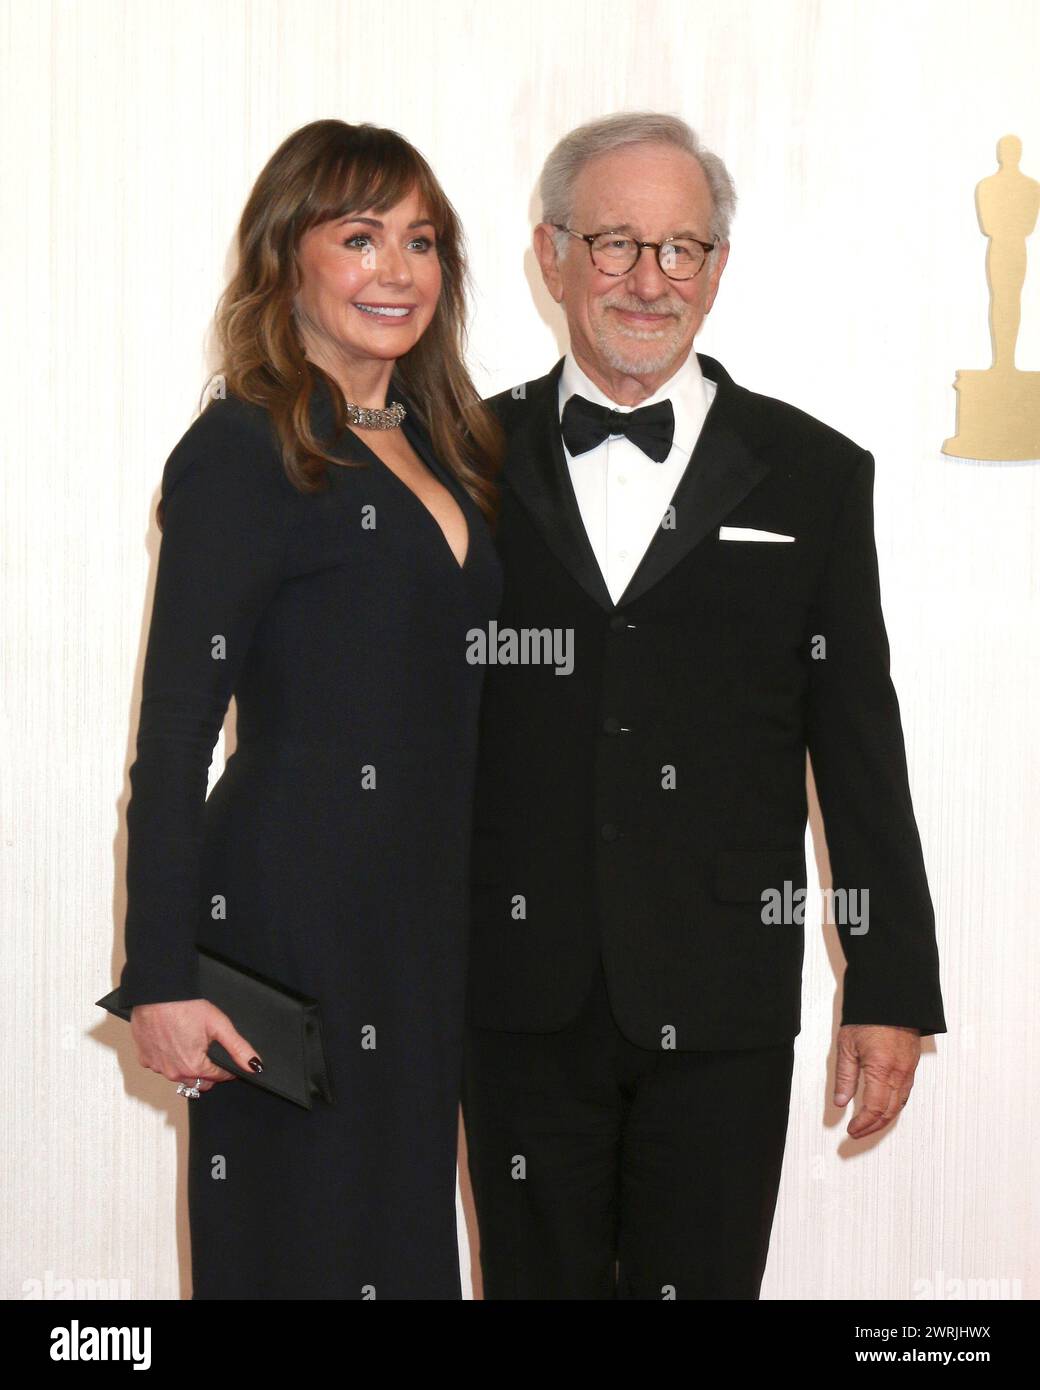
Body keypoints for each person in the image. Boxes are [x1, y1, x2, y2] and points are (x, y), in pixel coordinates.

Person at [461, 111, 946, 1299]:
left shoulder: (814, 475)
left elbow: (856, 741)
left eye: (680, 248)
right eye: (614, 242)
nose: (647, 279)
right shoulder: (459, 456)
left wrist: (886, 984)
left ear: (717, 268)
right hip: (513, 989)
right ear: (550, 253)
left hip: (721, 996)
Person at [116, 118, 502, 1299]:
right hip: (283, 924)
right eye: (359, 236)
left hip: (422, 926)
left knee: (400, 1248)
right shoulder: (242, 447)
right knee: (299, 1250)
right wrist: (162, 973)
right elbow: (176, 731)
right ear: (287, 258)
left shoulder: (448, 446)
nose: (398, 270)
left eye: (422, 241)